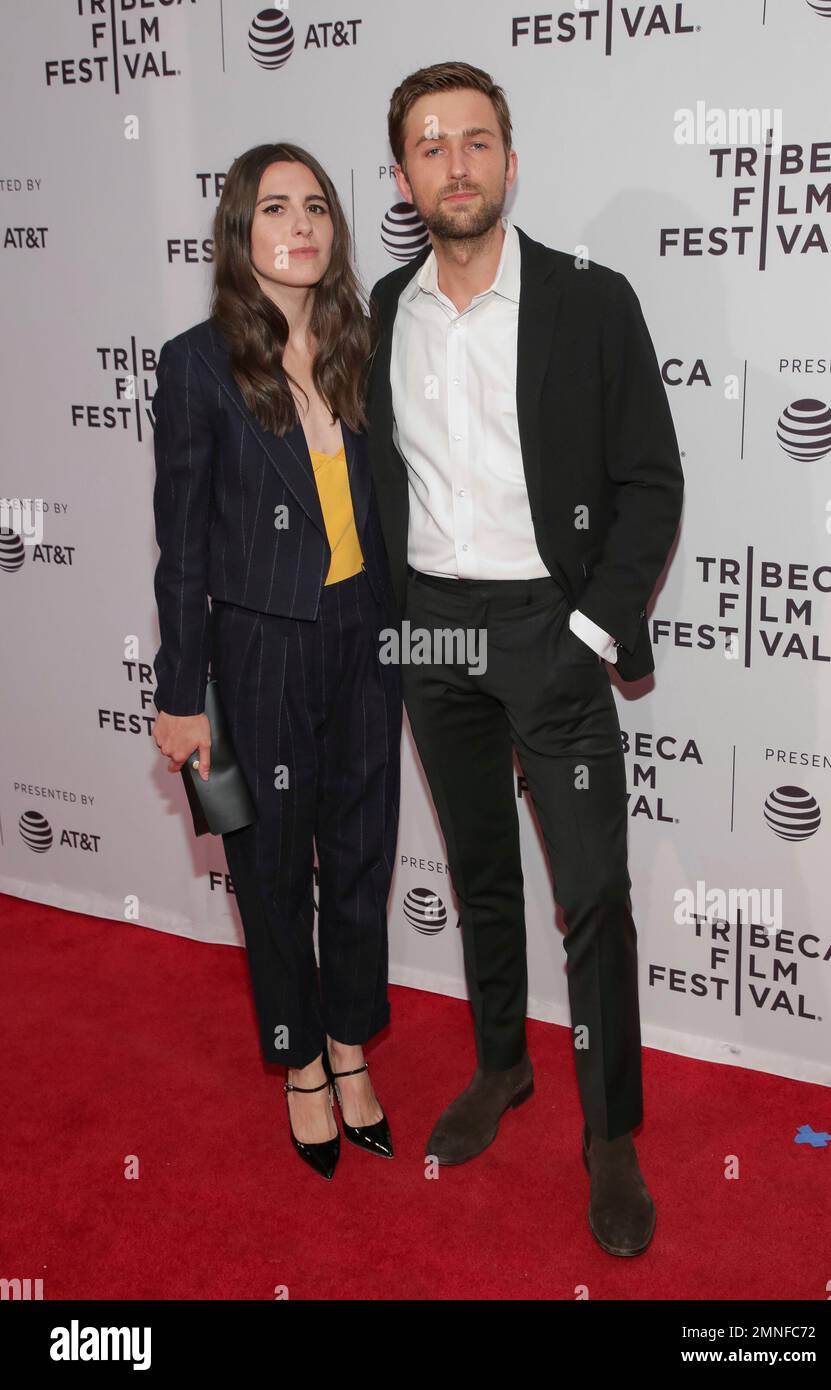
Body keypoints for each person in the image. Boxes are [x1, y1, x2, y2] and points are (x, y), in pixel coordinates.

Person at [365, 63, 684, 1253]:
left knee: (591, 891)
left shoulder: (591, 303)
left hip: (550, 628)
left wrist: (590, 630)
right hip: (431, 627)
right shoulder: (380, 313)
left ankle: (609, 1134)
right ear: (401, 178)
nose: (455, 162)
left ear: (510, 160)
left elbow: (650, 483)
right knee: (478, 870)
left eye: (475, 141)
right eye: (430, 145)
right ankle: (503, 1066)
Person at [151, 143, 402, 1180]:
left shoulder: (364, 344)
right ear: (238, 231)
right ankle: (299, 1061)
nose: (299, 225)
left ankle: (350, 1045)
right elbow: (185, 545)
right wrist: (178, 695)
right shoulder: (196, 361)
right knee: (267, 862)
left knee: (359, 854)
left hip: (366, 634)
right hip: (257, 643)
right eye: (274, 208)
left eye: (315, 207)